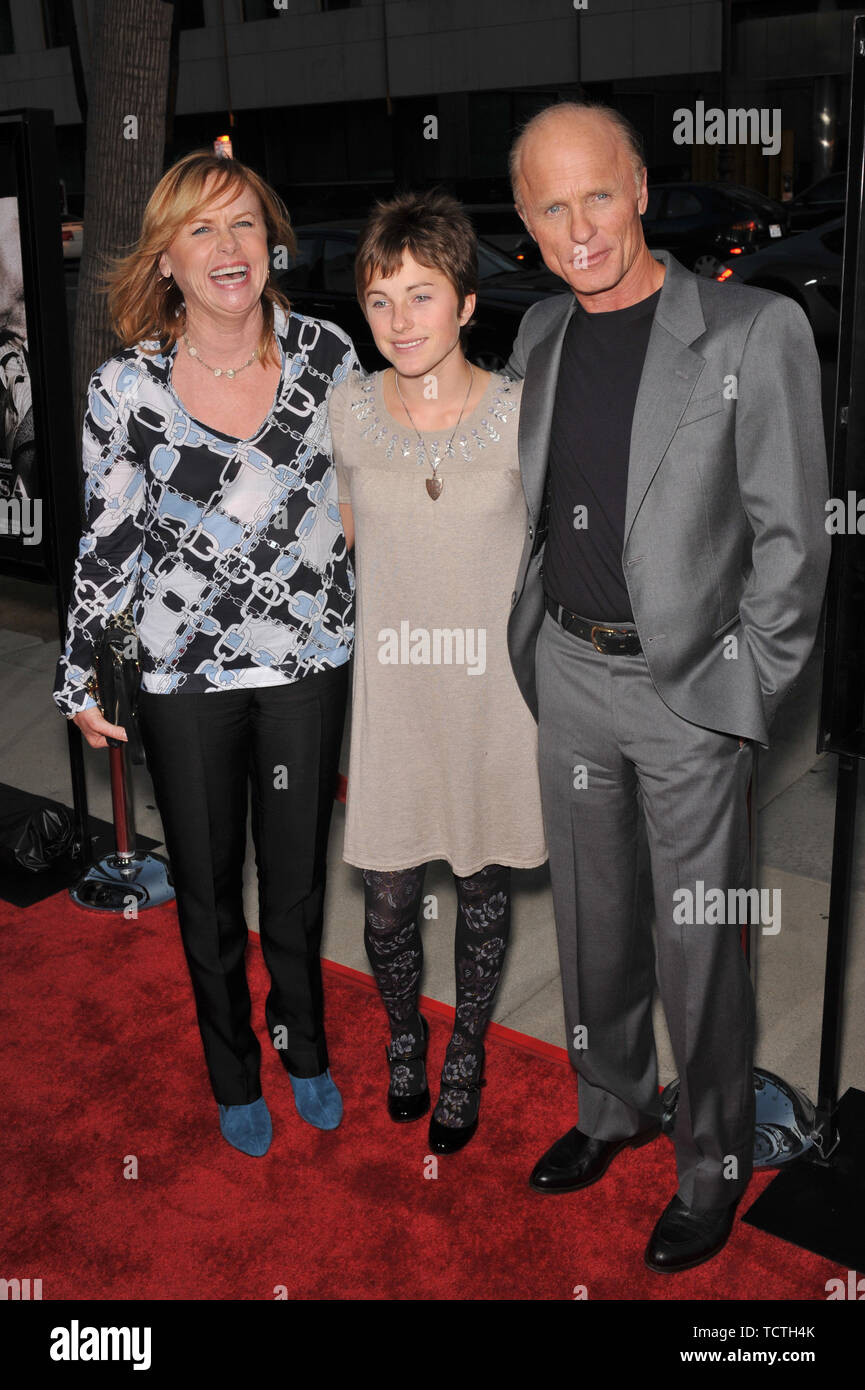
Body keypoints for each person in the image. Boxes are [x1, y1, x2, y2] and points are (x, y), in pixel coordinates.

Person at [505, 102, 830, 1270]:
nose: (577, 224)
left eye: (597, 193)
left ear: (641, 189)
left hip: (689, 691)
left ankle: (713, 1165)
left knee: (700, 948)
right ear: (528, 223)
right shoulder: (540, 331)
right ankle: (609, 1107)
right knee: (595, 929)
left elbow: (794, 545)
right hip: (570, 669)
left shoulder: (753, 331)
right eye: (549, 204)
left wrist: (738, 697)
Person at [53, 151, 358, 1157]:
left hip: (309, 662)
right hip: (182, 676)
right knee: (210, 884)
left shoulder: (327, 355)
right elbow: (109, 538)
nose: (229, 250)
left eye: (243, 226)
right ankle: (234, 1070)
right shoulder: (124, 386)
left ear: (270, 242)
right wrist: (86, 667)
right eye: (201, 232)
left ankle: (304, 1046)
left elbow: (369, 497)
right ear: (167, 261)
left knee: (300, 881)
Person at [328, 190, 546, 1153]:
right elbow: (337, 544)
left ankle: (466, 1053)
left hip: (491, 697)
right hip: (393, 695)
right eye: (379, 300)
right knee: (385, 898)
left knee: (483, 887)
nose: (399, 321)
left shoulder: (520, 414)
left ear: (465, 301)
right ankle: (404, 1033)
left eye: (421, 296)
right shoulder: (343, 412)